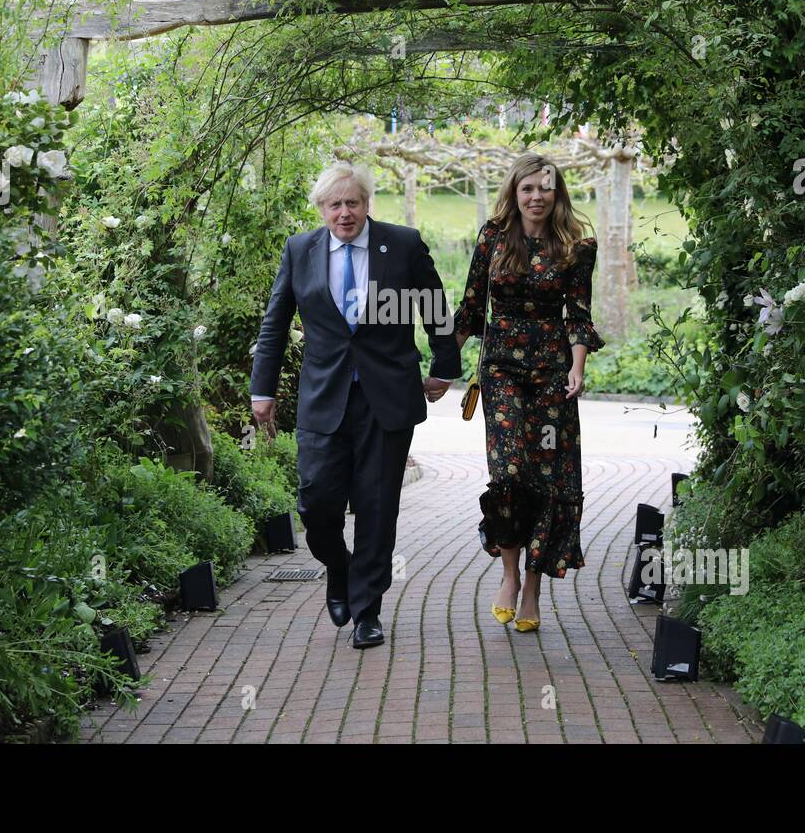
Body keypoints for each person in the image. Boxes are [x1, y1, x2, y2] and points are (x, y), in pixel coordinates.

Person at [250, 162, 462, 649]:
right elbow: (275, 322)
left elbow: (433, 306)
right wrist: (262, 390)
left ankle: (368, 609)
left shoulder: (402, 244)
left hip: (386, 398)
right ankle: (338, 570)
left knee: (376, 506)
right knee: (316, 501)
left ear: (366, 204)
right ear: (322, 209)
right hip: (323, 399)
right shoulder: (300, 250)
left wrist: (444, 366)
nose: (344, 213)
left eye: (353, 202)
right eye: (334, 204)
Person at [452, 153, 605, 633]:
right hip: (500, 369)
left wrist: (577, 368)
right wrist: (441, 368)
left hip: (552, 374)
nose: (536, 197)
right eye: (527, 189)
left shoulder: (576, 244)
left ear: (557, 194)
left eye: (546, 188)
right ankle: (509, 575)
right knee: (508, 473)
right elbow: (473, 306)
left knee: (548, 478)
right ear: (514, 193)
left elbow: (578, 313)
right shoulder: (492, 237)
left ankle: (533, 589)